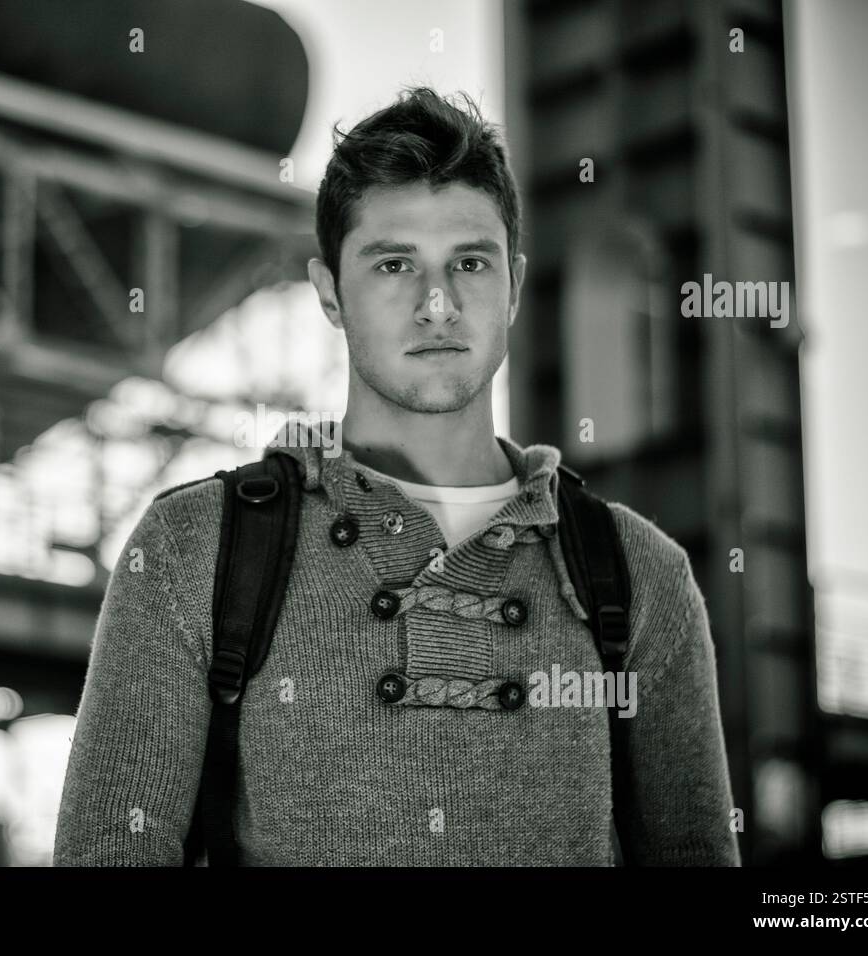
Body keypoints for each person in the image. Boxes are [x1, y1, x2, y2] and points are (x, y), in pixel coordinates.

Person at [54, 87, 740, 866]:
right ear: (328, 294)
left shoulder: (640, 575)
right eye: (394, 265)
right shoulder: (190, 553)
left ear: (513, 284)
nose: (438, 304)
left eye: (470, 263)